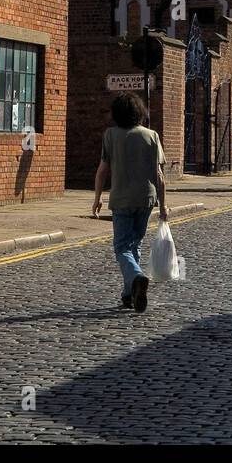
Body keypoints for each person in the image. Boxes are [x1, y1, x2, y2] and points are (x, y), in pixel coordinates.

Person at [92, 93, 167, 312]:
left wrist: (97, 198)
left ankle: (136, 277)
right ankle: (129, 294)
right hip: (146, 198)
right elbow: (159, 175)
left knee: (122, 248)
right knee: (134, 244)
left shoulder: (110, 135)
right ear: (139, 112)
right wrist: (163, 205)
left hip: (121, 198)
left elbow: (103, 170)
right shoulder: (152, 135)